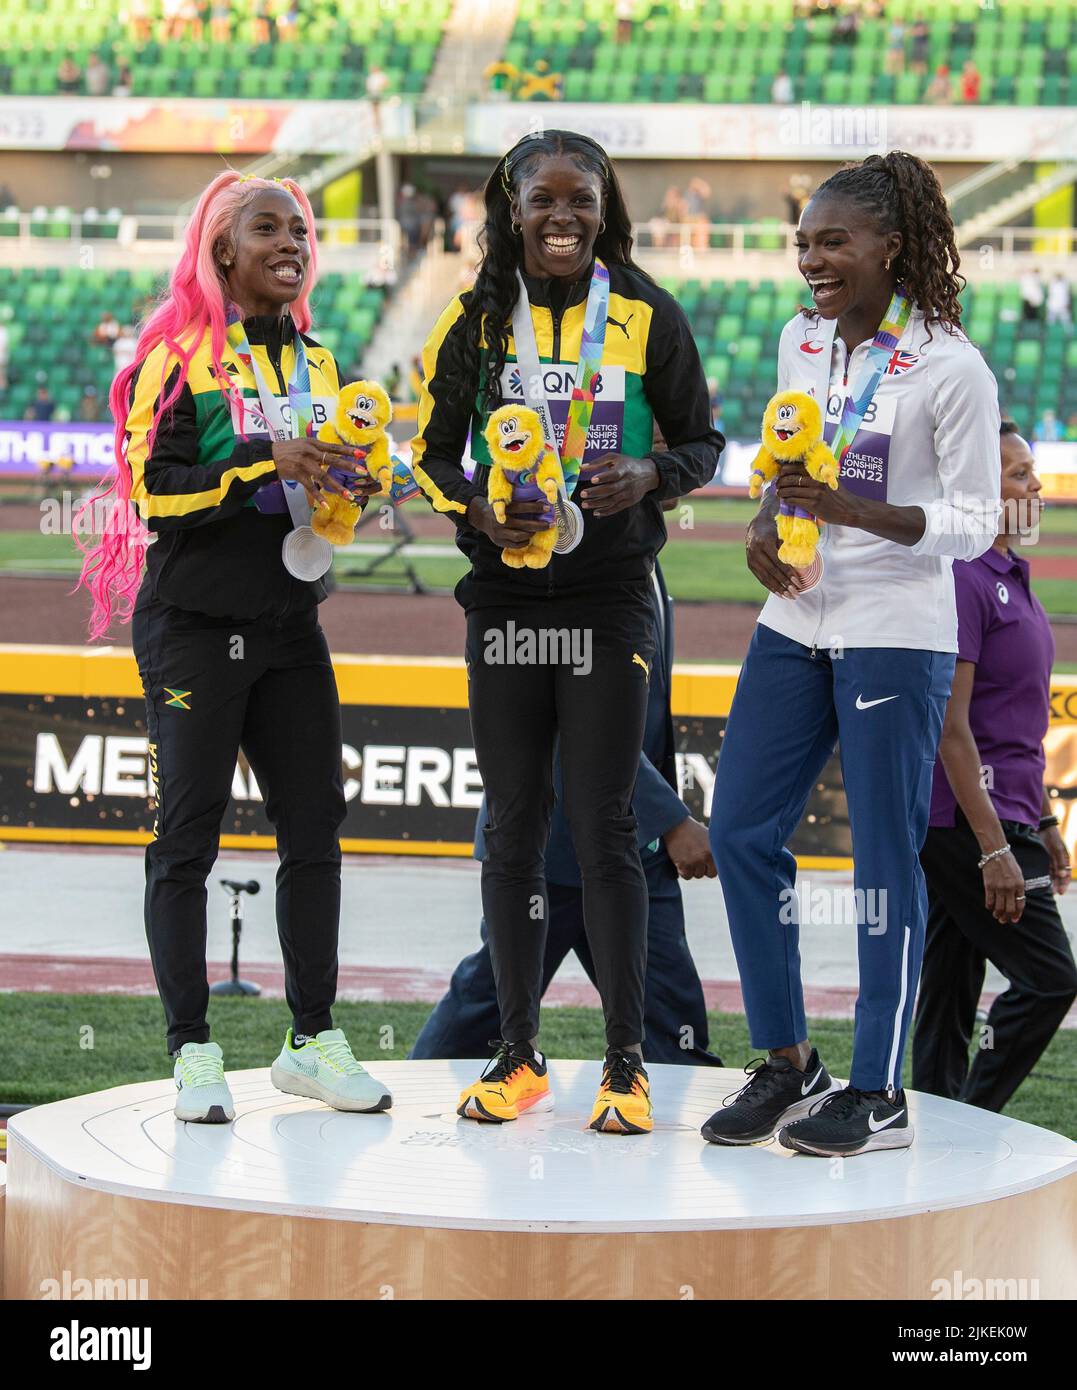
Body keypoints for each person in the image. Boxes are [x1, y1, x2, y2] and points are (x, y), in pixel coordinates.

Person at [409, 129, 722, 1133]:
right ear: (513, 210)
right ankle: (517, 1054)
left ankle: (625, 1065)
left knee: (603, 824)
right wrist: (476, 514)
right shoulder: (478, 321)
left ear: (604, 206)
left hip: (608, 595)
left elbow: (708, 441)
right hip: (506, 596)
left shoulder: (641, 311)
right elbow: (427, 456)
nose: (563, 218)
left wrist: (649, 474)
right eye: (543, 200)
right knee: (510, 827)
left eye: (581, 200)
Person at [73, 172, 390, 1124]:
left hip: (291, 627)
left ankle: (311, 1039)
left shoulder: (321, 362)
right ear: (223, 251)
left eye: (299, 229)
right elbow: (151, 490)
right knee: (187, 840)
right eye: (268, 229)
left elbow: (321, 496)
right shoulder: (175, 355)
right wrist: (261, 463)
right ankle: (193, 1050)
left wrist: (351, 487)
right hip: (195, 631)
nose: (292, 241)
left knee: (315, 832)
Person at [705, 150, 1002, 1157]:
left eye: (833, 242)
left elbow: (975, 519)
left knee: (880, 863)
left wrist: (854, 511)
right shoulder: (802, 339)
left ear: (892, 246)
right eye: (804, 244)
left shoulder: (951, 365)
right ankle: (791, 1061)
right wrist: (761, 519)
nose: (813, 262)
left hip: (894, 631)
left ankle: (879, 1090)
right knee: (741, 828)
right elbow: (786, 458)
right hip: (797, 618)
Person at [412, 549, 724, 1068]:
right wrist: (670, 821)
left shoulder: (643, 554)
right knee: (483, 1011)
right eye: (657, 463)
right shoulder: (564, 559)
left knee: (674, 1036)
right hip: (552, 847)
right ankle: (412, 1101)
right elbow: (559, 719)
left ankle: (661, 1128)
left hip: (631, 846)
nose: (672, 473)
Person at [913, 422, 1076, 1111]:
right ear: (976, 487)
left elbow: (1012, 727)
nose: (1034, 486)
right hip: (964, 819)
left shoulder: (1011, 574)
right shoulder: (963, 578)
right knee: (1048, 978)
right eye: (1016, 474)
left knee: (950, 982)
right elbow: (950, 728)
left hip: (1005, 812)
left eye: (1031, 472)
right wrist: (991, 849)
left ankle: (928, 1116)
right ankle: (973, 1117)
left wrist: (1042, 820)